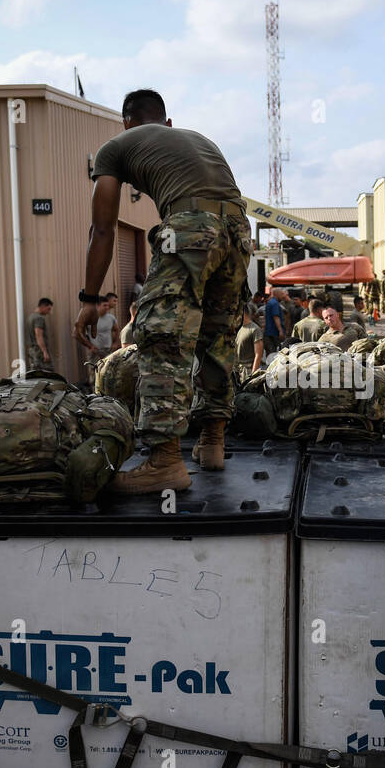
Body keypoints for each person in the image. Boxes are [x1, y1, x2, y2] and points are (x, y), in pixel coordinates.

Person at [74, 88, 250, 491]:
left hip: (190, 227)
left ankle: (165, 462)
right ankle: (212, 442)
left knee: (161, 336)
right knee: (218, 336)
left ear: (126, 123)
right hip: (239, 230)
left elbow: (103, 228)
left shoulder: (115, 147)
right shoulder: (200, 140)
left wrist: (89, 299)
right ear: (166, 122)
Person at [78, 293, 120, 383]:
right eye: (104, 305)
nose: (107, 308)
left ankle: (107, 395)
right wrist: (90, 346)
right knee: (94, 375)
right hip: (95, 351)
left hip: (108, 351)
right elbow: (80, 333)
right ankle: (94, 395)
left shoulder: (111, 318)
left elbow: (116, 330)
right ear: (97, 306)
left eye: (108, 306)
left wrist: (116, 342)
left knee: (108, 374)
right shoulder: (90, 318)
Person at [234, 307, 264, 385]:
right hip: (237, 370)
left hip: (247, 371)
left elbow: (259, 354)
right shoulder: (239, 328)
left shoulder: (255, 329)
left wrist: (253, 376)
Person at [25, 298, 53, 371]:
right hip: (39, 352)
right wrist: (45, 352)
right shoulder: (39, 318)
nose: (49, 312)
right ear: (42, 306)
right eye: (48, 309)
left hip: (32, 351)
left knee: (35, 374)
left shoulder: (31, 317)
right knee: (47, 374)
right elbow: (38, 335)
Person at [262, 288, 285, 354]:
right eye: (281, 294)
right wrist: (280, 331)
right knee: (276, 352)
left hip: (269, 331)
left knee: (270, 352)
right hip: (274, 332)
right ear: (277, 294)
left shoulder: (270, 302)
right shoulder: (275, 303)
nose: (283, 296)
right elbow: (276, 317)